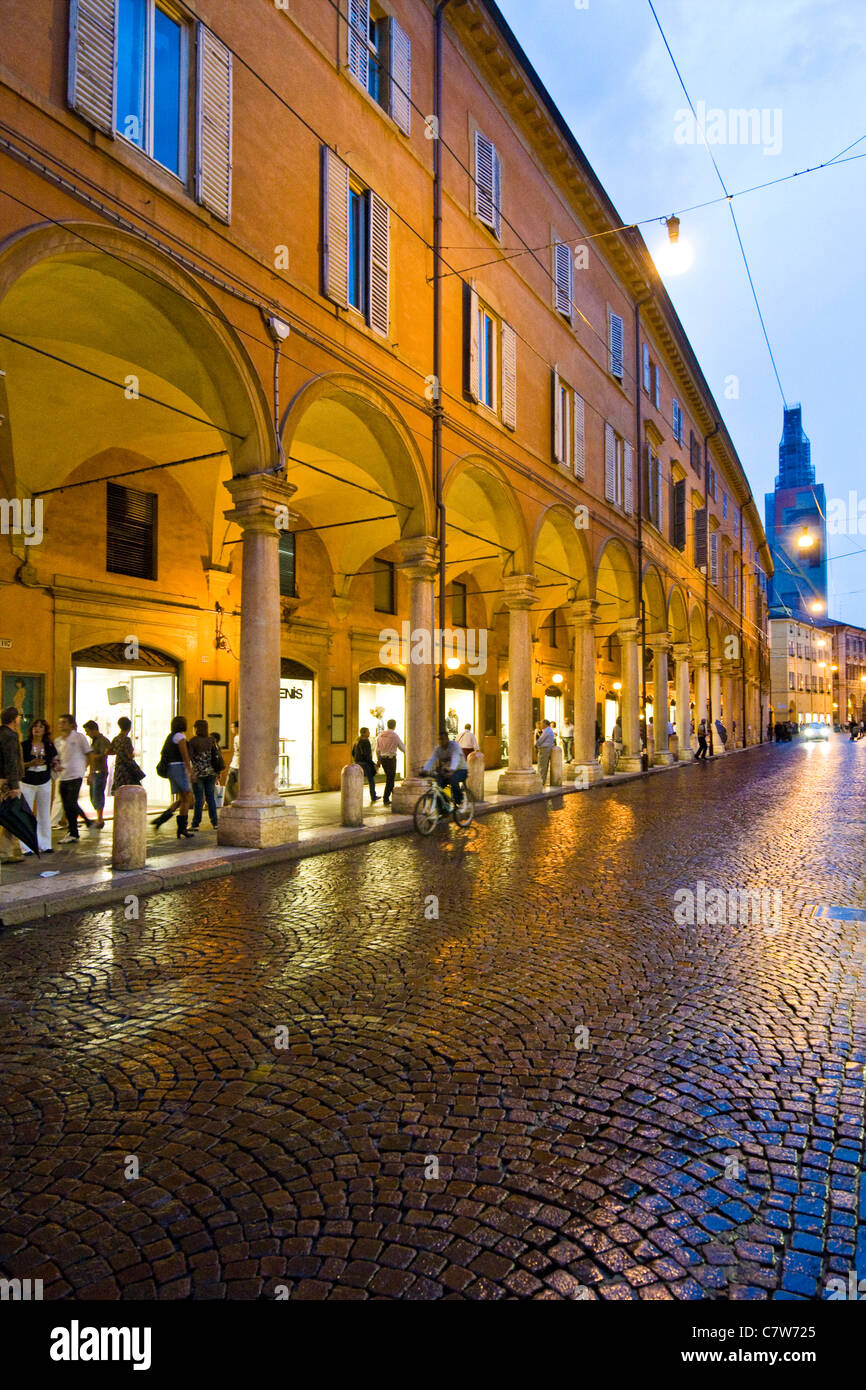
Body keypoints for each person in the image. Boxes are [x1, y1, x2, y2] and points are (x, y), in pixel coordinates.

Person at [153, 715, 196, 838]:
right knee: (187, 797)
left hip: (171, 768)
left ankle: (162, 819)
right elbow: (185, 755)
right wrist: (190, 771)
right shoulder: (180, 737)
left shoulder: (170, 736)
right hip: (178, 767)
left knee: (183, 797)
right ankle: (182, 828)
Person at [21, 717, 58, 854]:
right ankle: (26, 846)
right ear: (31, 729)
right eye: (35, 726)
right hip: (27, 782)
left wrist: (56, 765)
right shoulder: (24, 745)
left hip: (44, 781)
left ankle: (45, 844)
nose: (37, 729)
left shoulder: (49, 745)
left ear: (45, 730)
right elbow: (19, 764)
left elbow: (54, 761)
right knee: (27, 813)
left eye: (41, 726)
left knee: (44, 813)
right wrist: (31, 764)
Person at [56, 714, 95, 843]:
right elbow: (56, 758)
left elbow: (89, 754)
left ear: (71, 724)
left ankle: (86, 821)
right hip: (63, 776)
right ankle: (73, 832)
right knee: (67, 805)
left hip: (76, 774)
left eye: (64, 722)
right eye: (60, 722)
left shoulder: (79, 738)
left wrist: (91, 773)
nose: (61, 725)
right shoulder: (58, 741)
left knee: (70, 802)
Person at [0, 705, 25, 863]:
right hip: (7, 781)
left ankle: (10, 851)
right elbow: (11, 761)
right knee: (12, 816)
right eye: (19, 717)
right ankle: (5, 853)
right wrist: (14, 785)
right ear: (14, 718)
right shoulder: (10, 736)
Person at [188, 720, 223, 829]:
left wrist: (191, 772)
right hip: (211, 772)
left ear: (196, 728)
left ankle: (195, 824)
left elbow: (189, 757)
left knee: (198, 798)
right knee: (210, 798)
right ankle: (215, 823)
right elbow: (216, 757)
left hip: (198, 773)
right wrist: (218, 772)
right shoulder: (212, 740)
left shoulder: (193, 741)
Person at [422, 728, 468, 805]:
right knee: (439, 784)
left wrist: (452, 770)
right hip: (448, 770)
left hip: (461, 769)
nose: (441, 741)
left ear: (447, 739)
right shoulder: (438, 749)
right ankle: (443, 807)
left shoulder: (454, 746)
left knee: (453, 780)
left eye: (443, 739)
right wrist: (425, 769)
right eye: (439, 739)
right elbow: (432, 759)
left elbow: (455, 757)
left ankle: (459, 798)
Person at [82, 720, 111, 829]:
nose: (87, 733)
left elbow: (104, 754)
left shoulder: (102, 741)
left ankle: (100, 818)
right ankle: (99, 818)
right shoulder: (94, 741)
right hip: (95, 771)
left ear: (94, 730)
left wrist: (92, 757)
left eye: (88, 731)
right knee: (94, 794)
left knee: (97, 794)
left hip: (100, 771)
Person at [375, 719, 405, 807]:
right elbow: (402, 748)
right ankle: (386, 798)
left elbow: (377, 750)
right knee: (390, 779)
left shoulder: (380, 735)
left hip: (383, 759)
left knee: (389, 778)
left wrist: (379, 760)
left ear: (388, 725)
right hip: (391, 759)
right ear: (394, 726)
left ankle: (390, 796)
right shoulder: (394, 736)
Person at [109, 717, 143, 794]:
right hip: (127, 769)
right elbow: (129, 755)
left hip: (118, 767)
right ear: (129, 727)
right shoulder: (127, 740)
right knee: (131, 789)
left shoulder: (116, 739)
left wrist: (118, 751)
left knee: (120, 790)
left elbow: (108, 751)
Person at [352, 727, 379, 803]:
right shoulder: (366, 741)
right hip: (365, 763)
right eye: (368, 731)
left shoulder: (357, 741)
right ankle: (373, 796)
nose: (369, 733)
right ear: (364, 733)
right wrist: (373, 764)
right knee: (371, 780)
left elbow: (352, 753)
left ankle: (355, 796)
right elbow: (367, 755)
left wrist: (357, 760)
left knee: (357, 781)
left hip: (357, 763)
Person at [535, 718, 556, 786]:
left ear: (545, 724)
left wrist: (536, 745)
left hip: (544, 749)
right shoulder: (548, 730)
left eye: (541, 723)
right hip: (546, 748)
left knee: (542, 765)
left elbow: (541, 740)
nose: (540, 725)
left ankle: (541, 781)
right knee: (543, 765)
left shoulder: (547, 731)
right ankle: (541, 780)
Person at [224, 722, 240, 802]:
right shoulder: (236, 737)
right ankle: (233, 801)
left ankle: (233, 802)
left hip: (238, 766)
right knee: (228, 786)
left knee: (229, 786)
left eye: (232, 727)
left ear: (237, 727)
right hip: (234, 764)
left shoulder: (239, 738)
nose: (231, 729)